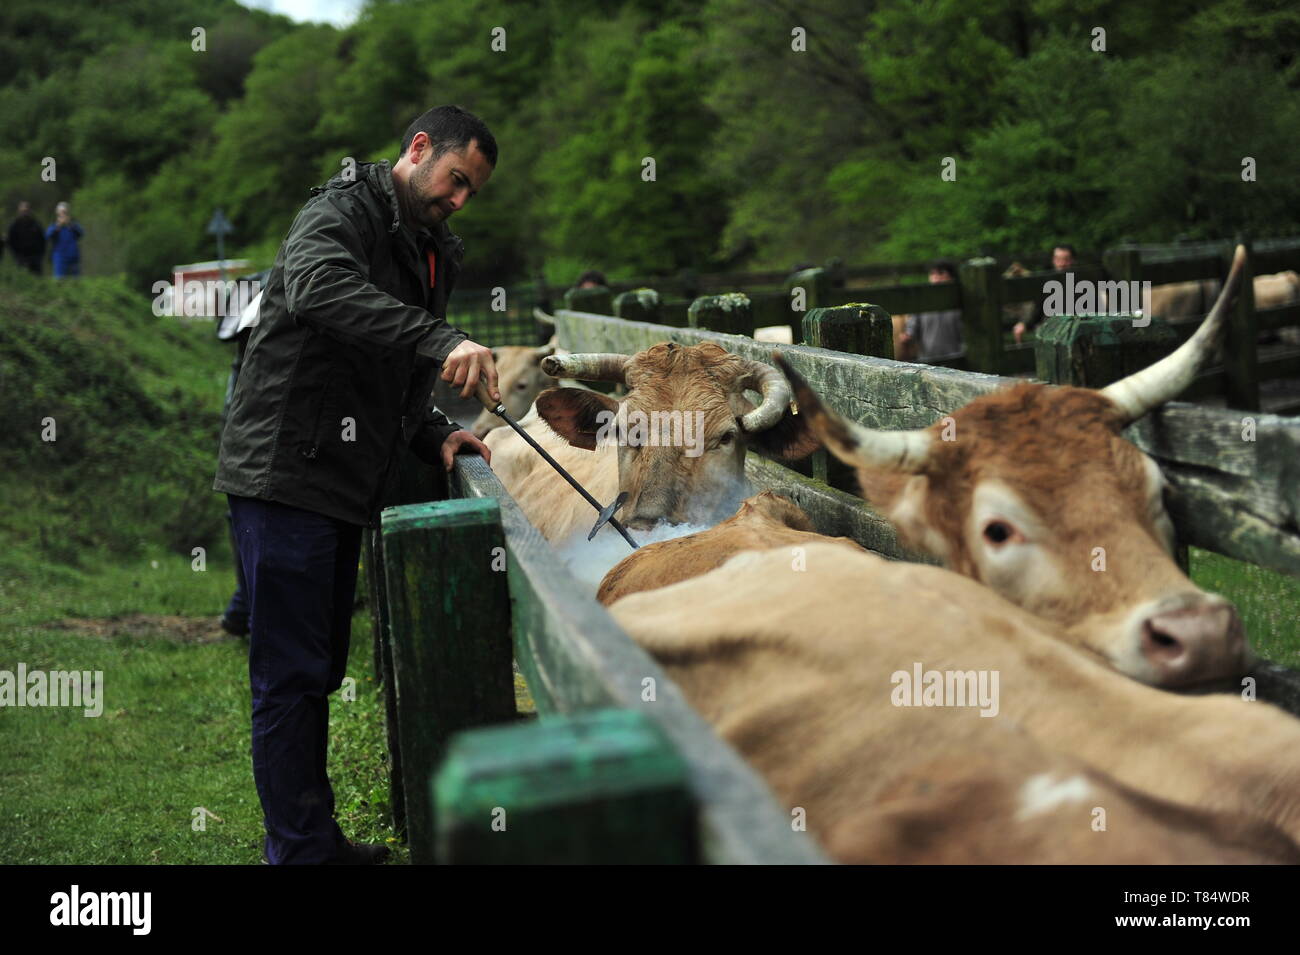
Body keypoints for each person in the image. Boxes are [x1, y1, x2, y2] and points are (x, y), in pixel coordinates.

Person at [213, 105, 501, 865]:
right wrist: (442, 337)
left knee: (319, 669)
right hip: (284, 471)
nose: (459, 199)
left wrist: (437, 430)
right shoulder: (340, 209)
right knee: (289, 676)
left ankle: (315, 839)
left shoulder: (432, 249)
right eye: (456, 180)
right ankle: (299, 853)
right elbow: (315, 289)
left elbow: (396, 373)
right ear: (417, 149)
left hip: (345, 483)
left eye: (473, 191)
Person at [899, 259, 963, 362]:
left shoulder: (961, 300)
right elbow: (912, 328)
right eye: (932, 273)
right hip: (928, 360)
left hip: (959, 359)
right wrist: (907, 336)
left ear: (952, 277)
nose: (936, 277)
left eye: (941, 273)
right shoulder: (922, 301)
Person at [1013, 243, 1076, 343]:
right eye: (1058, 259)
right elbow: (1038, 307)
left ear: (1072, 260)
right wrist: (1024, 324)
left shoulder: (1082, 280)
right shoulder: (1048, 281)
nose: (1062, 264)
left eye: (1066, 259)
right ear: (1053, 260)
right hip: (1053, 328)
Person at [45, 202, 83, 278]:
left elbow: (81, 233)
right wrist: (58, 226)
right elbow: (48, 236)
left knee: (75, 282)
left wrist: (70, 225)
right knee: (60, 282)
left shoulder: (73, 225)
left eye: (65, 212)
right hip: (60, 258)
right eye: (61, 213)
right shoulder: (53, 226)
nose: (63, 215)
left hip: (73, 258)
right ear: (57, 213)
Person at [8, 201, 46, 275]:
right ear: (19, 211)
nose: (24, 213)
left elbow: (42, 240)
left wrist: (40, 256)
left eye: (26, 211)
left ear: (29, 211)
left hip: (35, 258)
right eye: (23, 211)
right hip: (21, 258)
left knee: (37, 279)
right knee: (22, 279)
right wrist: (16, 256)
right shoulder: (14, 225)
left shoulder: (36, 224)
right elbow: (11, 241)